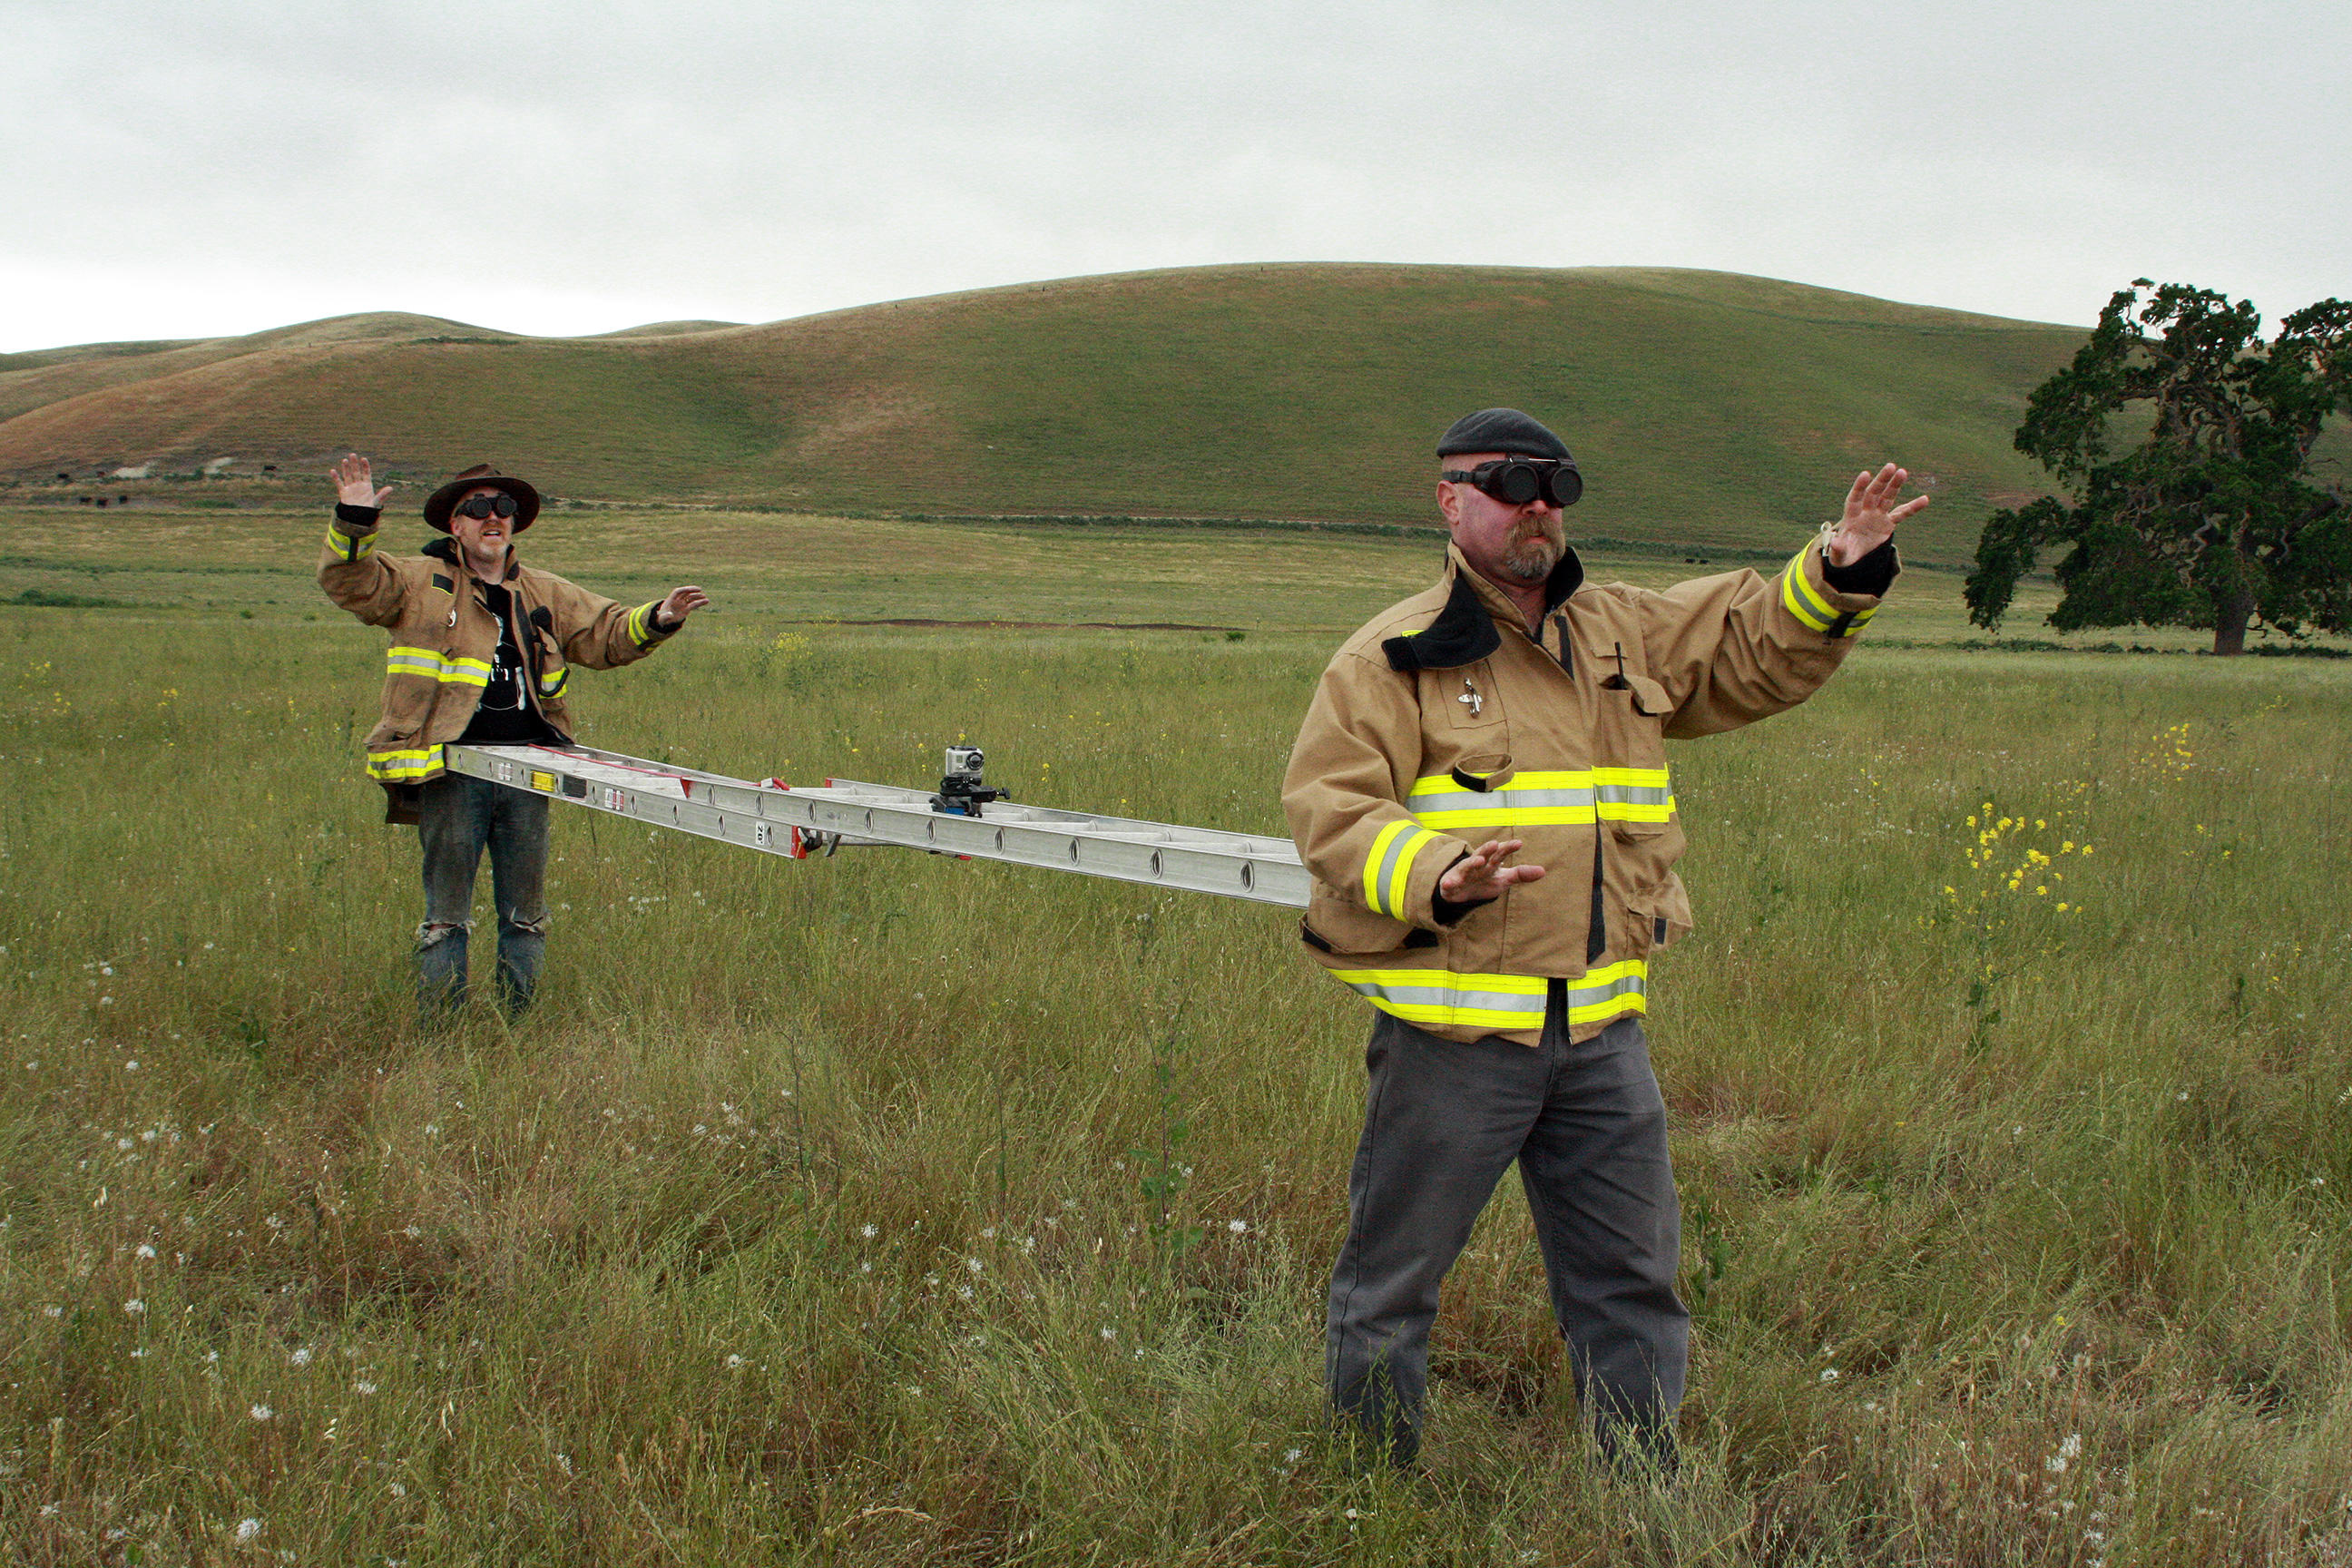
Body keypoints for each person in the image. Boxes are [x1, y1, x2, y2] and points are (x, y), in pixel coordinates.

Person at [1282, 407, 1919, 1471]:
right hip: (1455, 1044)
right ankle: (1367, 1490)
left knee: (1631, 1281)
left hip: (1602, 1035)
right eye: (1509, 483)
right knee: (1393, 1282)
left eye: (1555, 487)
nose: (1537, 506)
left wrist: (1839, 571)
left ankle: (1640, 1489)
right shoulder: (1390, 657)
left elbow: (1752, 649)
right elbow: (1333, 810)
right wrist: (1439, 872)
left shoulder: (1626, 633)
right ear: (1450, 501)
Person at [318, 455, 711, 1014]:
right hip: (451, 771)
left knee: (525, 916)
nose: (492, 517)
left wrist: (660, 618)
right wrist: (354, 522)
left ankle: (515, 1023)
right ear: (454, 525)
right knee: (446, 916)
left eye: (503, 507)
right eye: (476, 508)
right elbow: (351, 583)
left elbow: (604, 632)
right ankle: (442, 1030)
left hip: (529, 773)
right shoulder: (414, 582)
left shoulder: (543, 591)